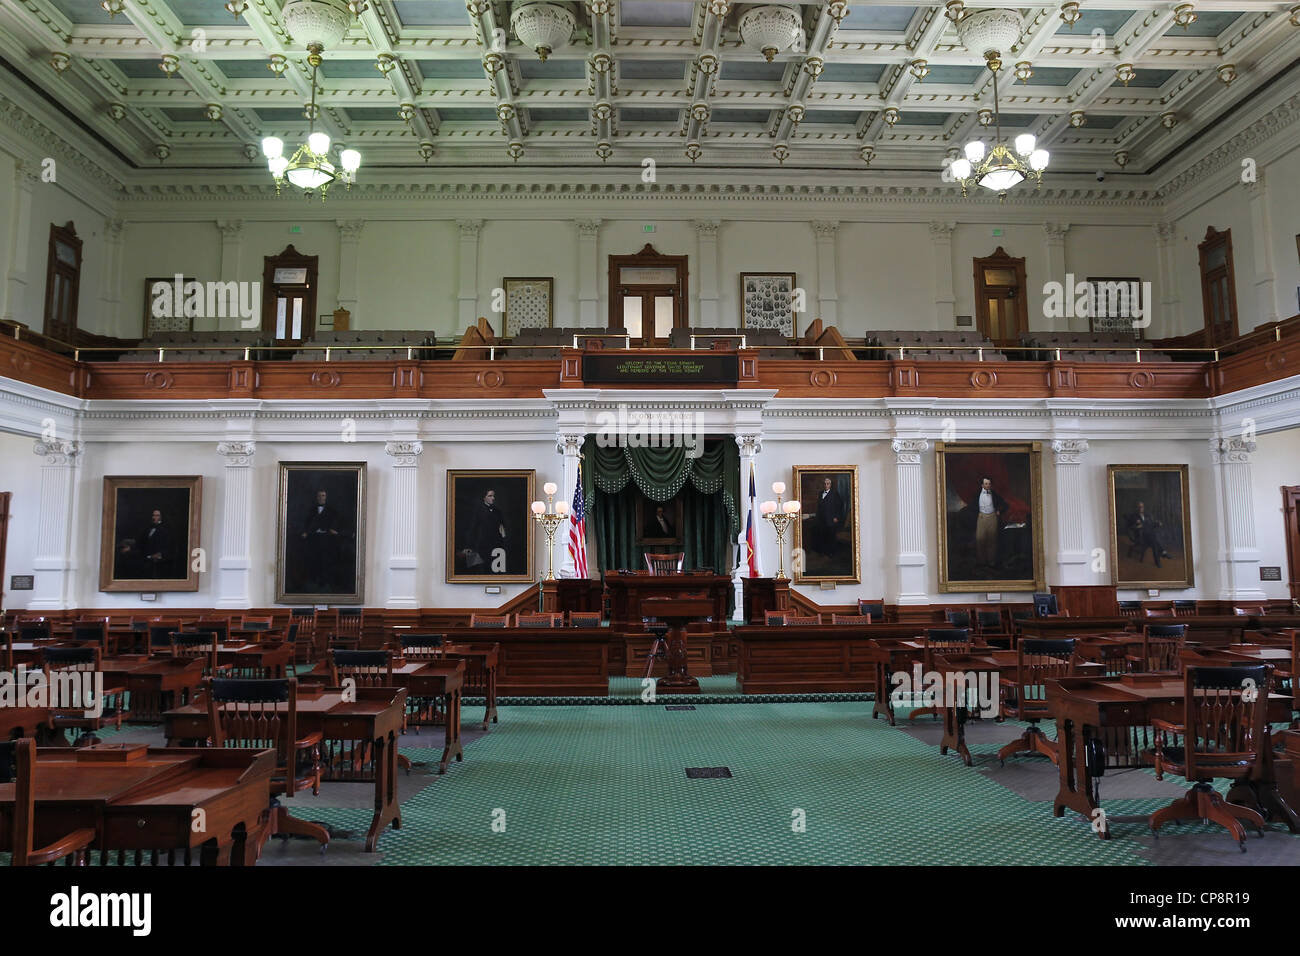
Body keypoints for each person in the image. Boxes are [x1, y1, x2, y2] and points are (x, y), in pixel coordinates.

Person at [300, 489, 341, 591]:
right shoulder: (312, 510)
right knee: (314, 559)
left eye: (323, 496)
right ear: (316, 497)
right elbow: (307, 523)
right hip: (314, 538)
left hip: (326, 538)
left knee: (325, 560)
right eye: (319, 496)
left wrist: (332, 530)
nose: (321, 498)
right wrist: (306, 532)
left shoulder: (331, 511)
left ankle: (324, 581)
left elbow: (335, 523)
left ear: (326, 497)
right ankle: (314, 579)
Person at [119, 508, 178, 578]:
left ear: (161, 517)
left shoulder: (165, 530)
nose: (154, 517)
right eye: (153, 515)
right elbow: (141, 541)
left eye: (157, 515)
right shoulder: (149, 528)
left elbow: (167, 547)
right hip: (144, 555)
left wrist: (160, 555)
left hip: (155, 559)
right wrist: (130, 547)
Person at [461, 488, 509, 573]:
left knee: (496, 571)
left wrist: (503, 541)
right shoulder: (478, 511)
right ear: (484, 497)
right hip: (482, 546)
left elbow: (502, 528)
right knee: (482, 570)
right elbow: (473, 529)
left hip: (497, 546)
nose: (493, 498)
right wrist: (468, 545)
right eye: (490, 496)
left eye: (493, 496)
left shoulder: (498, 511)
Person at [969, 476, 1007, 570]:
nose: (988, 485)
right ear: (982, 485)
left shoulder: (994, 494)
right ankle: (981, 562)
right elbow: (972, 506)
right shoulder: (977, 494)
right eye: (986, 484)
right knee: (979, 539)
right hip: (981, 517)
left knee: (992, 540)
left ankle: (991, 562)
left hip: (992, 517)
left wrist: (999, 510)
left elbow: (1004, 504)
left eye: (989, 483)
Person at [806, 476, 845, 558]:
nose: (826, 485)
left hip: (831, 518)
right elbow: (819, 506)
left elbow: (840, 506)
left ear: (830, 485)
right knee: (822, 534)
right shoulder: (821, 493)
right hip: (821, 518)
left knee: (831, 536)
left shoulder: (834, 494)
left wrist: (836, 517)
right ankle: (823, 551)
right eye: (825, 484)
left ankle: (831, 553)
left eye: (828, 484)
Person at [1127, 500, 1170, 568]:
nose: (1141, 508)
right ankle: (1163, 553)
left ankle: (1158, 561)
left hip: (1149, 535)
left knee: (1154, 541)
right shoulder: (1133, 516)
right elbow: (1130, 527)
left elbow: (1151, 524)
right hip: (1140, 536)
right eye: (1139, 507)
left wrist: (1157, 523)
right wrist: (1137, 526)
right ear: (1136, 508)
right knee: (1154, 539)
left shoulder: (1147, 515)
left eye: (1142, 507)